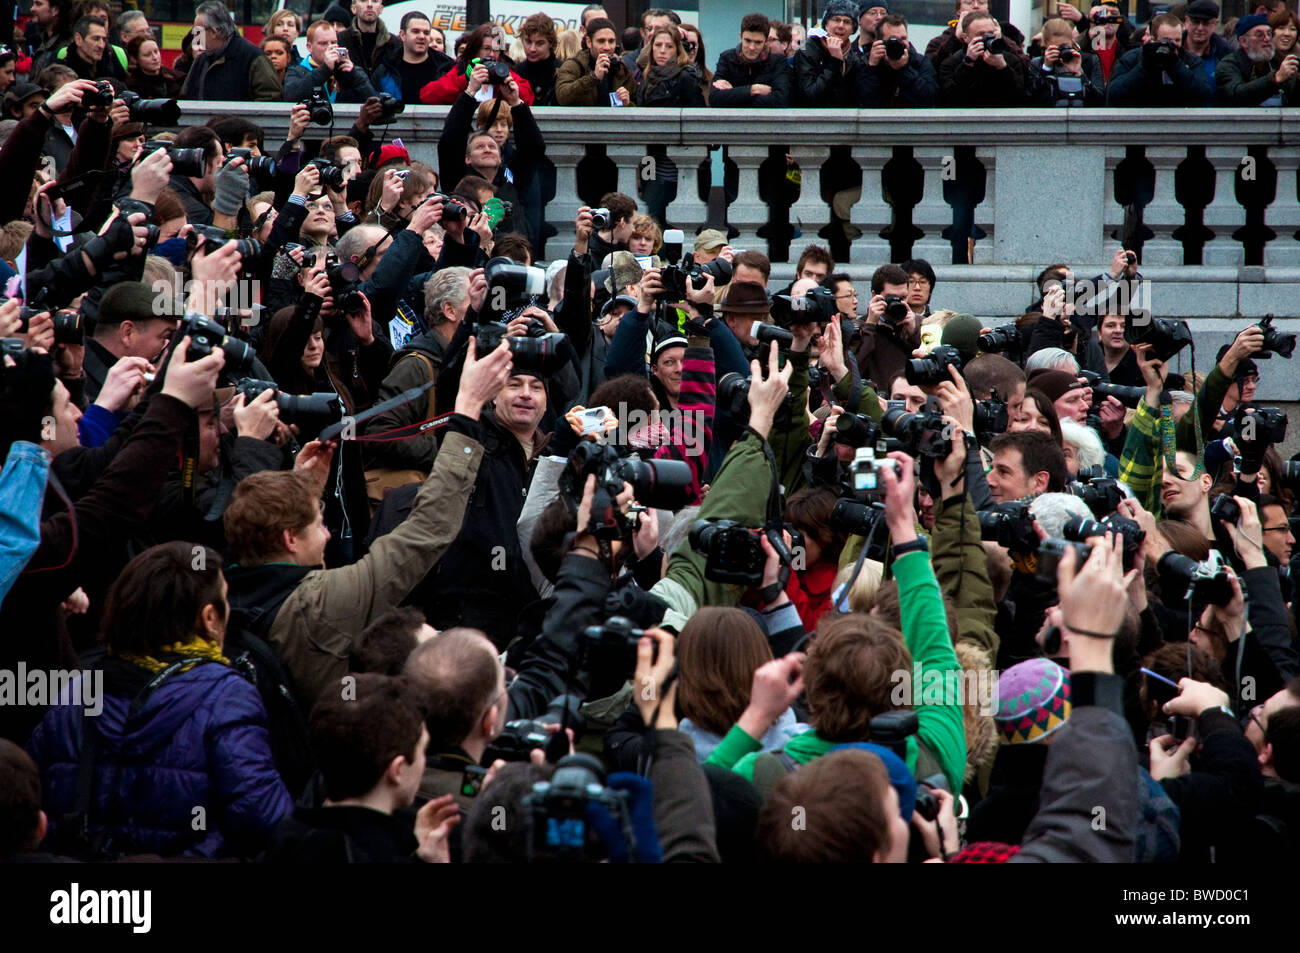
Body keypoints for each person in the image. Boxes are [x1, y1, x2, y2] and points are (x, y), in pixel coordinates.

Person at [27, 542, 293, 858]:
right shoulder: (226, 698)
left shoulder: (73, 694)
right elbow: (265, 821)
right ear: (209, 617)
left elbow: (34, 812)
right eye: (224, 600)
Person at [263, 674, 458, 863]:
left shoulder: (286, 838)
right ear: (397, 770)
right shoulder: (374, 853)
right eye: (422, 750)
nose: (424, 762)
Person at [183, 0, 281, 102]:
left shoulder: (252, 58)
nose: (194, 37)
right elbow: (185, 97)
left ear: (213, 32)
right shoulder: (202, 59)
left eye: (198, 31)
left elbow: (271, 100)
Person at [1108, 13, 1214, 107]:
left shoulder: (1191, 61)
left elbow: (1204, 95)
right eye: (1167, 40)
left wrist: (1176, 66)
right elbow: (1114, 95)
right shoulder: (1132, 58)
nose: (1173, 45)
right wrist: (1145, 66)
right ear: (1153, 39)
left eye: (1177, 40)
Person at [282, 20, 378, 105]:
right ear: (309, 47)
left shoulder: (353, 70)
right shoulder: (296, 71)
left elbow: (373, 103)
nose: (331, 47)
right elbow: (291, 97)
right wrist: (325, 70)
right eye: (323, 43)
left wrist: (354, 75)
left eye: (333, 43)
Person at [711, 12, 791, 107]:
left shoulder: (777, 62)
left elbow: (781, 101)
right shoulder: (727, 58)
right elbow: (715, 99)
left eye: (758, 42)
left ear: (766, 41)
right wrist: (753, 90)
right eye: (747, 41)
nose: (751, 47)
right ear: (741, 37)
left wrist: (734, 93)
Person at [858, 13, 939, 106]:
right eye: (893, 39)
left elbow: (929, 99)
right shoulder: (866, 62)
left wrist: (904, 69)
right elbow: (863, 102)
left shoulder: (920, 62)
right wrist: (871, 68)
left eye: (903, 38)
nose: (899, 44)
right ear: (880, 42)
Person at [1217, 14, 1299, 105]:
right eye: (1259, 35)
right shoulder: (1228, 65)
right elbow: (1237, 95)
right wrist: (1275, 79)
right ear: (1243, 41)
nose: (1267, 39)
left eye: (1269, 34)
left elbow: (1293, 100)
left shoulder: (1278, 62)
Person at [794, 0, 862, 106]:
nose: (841, 26)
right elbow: (810, 95)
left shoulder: (854, 58)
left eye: (847, 22)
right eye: (836, 20)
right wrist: (835, 62)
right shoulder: (807, 50)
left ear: (853, 29)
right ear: (826, 24)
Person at [555, 16, 634, 106]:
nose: (607, 47)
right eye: (601, 41)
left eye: (611, 41)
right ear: (589, 42)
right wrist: (593, 78)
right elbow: (563, 97)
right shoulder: (573, 65)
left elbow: (640, 108)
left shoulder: (621, 69)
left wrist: (627, 104)